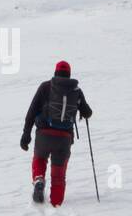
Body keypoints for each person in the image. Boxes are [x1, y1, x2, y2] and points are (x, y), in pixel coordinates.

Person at [20, 60, 92, 206]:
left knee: (39, 159)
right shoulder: (76, 91)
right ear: (69, 74)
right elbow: (87, 112)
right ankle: (56, 205)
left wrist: (26, 135)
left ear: (55, 72)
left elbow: (31, 112)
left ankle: (39, 179)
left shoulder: (46, 87)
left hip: (44, 135)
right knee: (58, 174)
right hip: (64, 139)